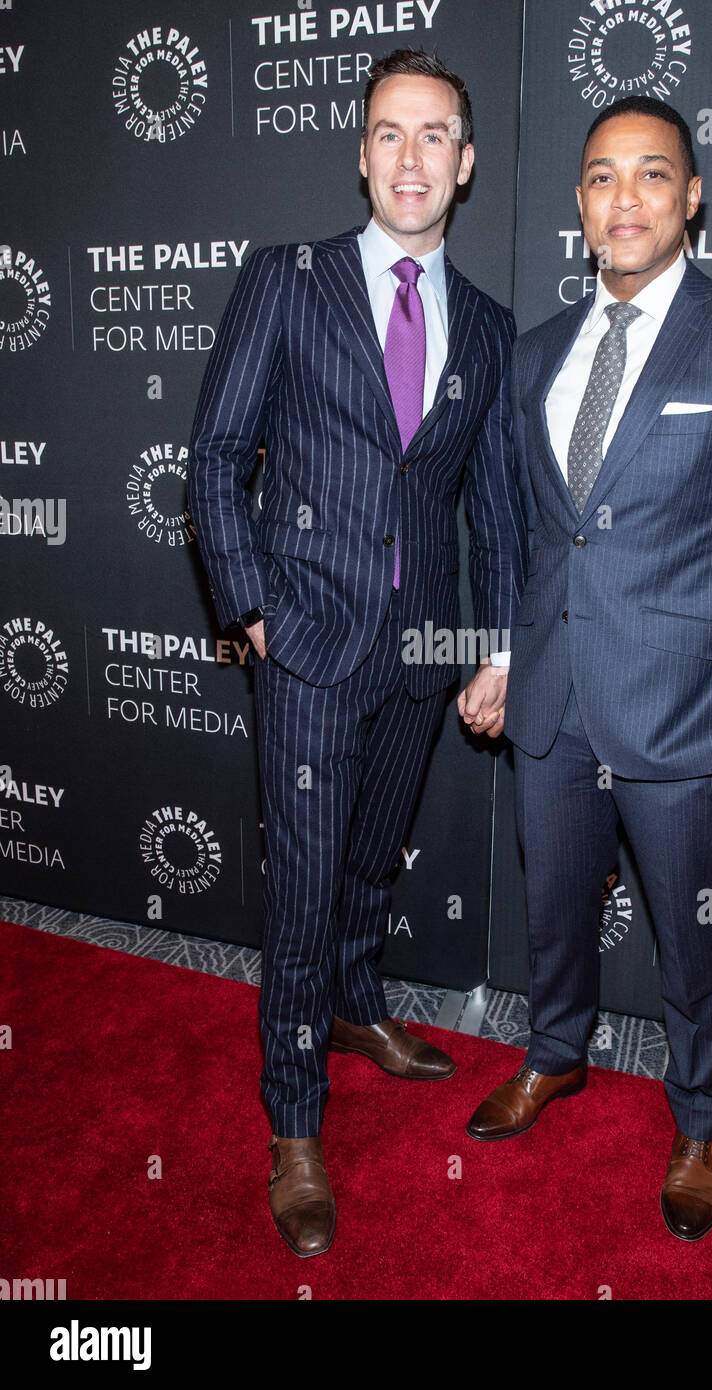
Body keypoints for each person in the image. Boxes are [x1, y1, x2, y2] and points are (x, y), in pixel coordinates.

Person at [465, 97, 712, 1242]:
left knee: (690, 932)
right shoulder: (536, 357)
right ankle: (556, 1055)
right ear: (578, 203)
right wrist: (506, 656)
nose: (625, 200)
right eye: (602, 178)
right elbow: (536, 537)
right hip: (554, 699)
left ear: (693, 196)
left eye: (652, 176)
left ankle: (704, 1115)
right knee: (556, 907)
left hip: (685, 714)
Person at [189, 48, 525, 1258]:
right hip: (309, 642)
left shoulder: (485, 327)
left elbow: (493, 509)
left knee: (373, 857)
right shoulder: (289, 280)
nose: (412, 157)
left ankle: (355, 1004)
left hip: (422, 649)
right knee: (305, 879)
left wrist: (495, 647)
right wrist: (252, 606)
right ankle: (293, 1121)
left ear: (467, 162)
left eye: (436, 135)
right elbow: (216, 455)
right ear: (361, 150)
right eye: (390, 132)